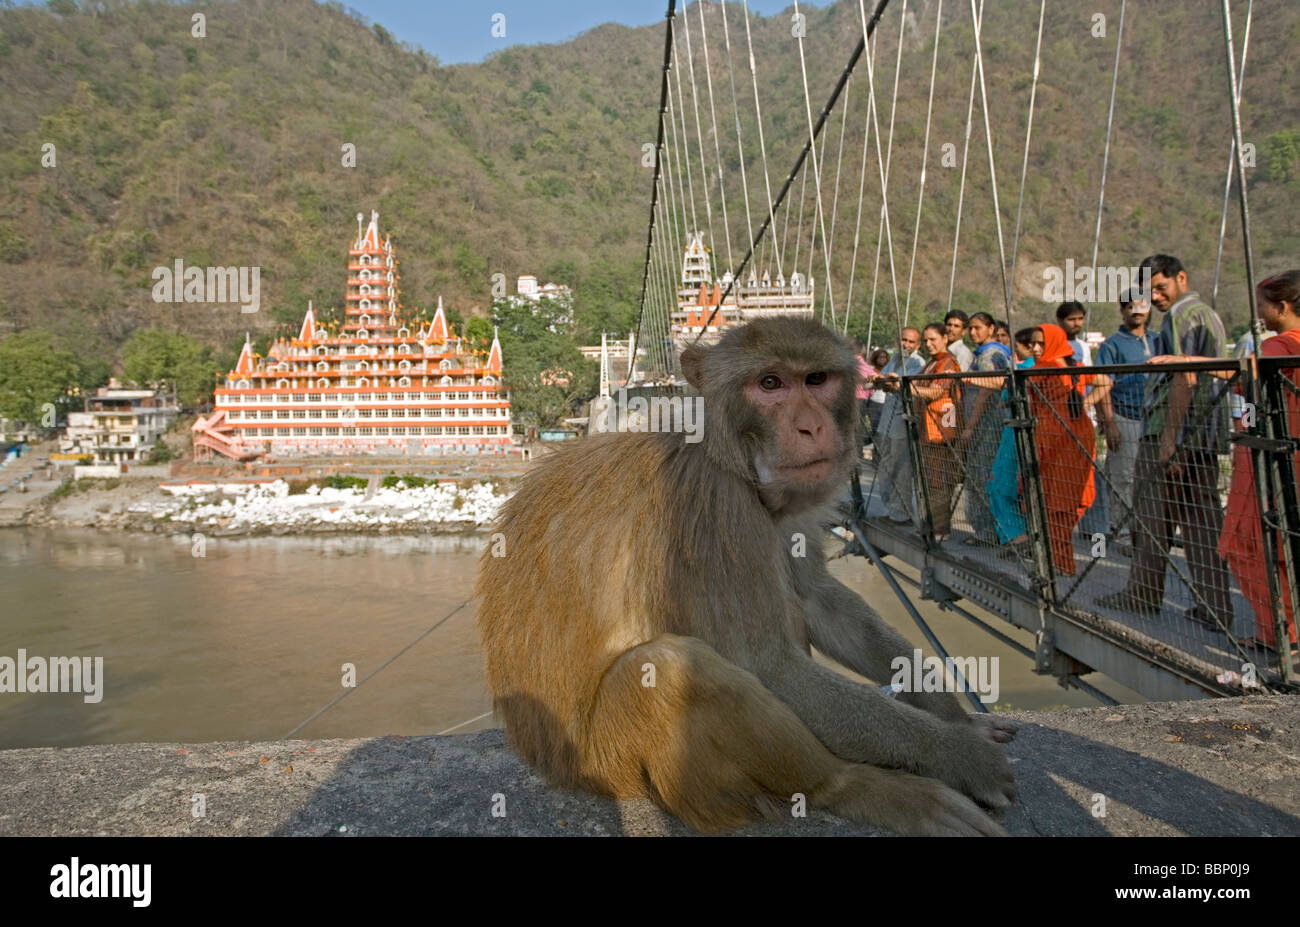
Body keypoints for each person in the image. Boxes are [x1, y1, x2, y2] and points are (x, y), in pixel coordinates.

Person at [1098, 254, 1234, 629]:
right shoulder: (1209, 314)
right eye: (1149, 290)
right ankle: (1216, 608)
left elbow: (1183, 377)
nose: (1155, 297)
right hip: (1206, 432)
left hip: (1171, 430)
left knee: (1151, 517)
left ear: (1181, 278)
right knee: (1203, 524)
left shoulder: (1179, 316)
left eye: (1161, 287)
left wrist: (1170, 437)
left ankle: (1141, 594)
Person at [1219, 272, 1300, 663]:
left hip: (1270, 461)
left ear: (1282, 307)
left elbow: (1242, 373)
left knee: (1242, 544)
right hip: (1288, 456)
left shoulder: (1279, 347)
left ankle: (1278, 635)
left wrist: (1187, 363)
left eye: (1262, 305)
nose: (1259, 312)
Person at [1096, 288, 1159, 546]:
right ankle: (1123, 533)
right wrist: (1109, 424)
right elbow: (1102, 384)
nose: (1137, 311)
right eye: (1131, 306)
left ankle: (1146, 529)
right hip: (1125, 416)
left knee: (1152, 477)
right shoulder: (1112, 345)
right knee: (1124, 477)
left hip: (1155, 417)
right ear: (1122, 311)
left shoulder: (1158, 339)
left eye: (1141, 306)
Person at [989, 327, 1045, 559]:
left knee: (999, 485)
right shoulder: (1053, 368)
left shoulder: (1020, 369)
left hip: (1015, 433)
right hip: (1040, 434)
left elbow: (1003, 403)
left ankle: (1017, 536)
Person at [959, 312, 1013, 545]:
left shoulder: (990, 355)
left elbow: (986, 390)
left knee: (981, 477)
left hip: (987, 425)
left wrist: (970, 427)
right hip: (987, 424)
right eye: (970, 328)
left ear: (991, 329)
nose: (973, 332)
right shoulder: (986, 354)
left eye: (978, 328)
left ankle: (987, 534)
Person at [911, 323, 962, 540]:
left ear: (945, 338)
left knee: (939, 480)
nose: (929, 344)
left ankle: (941, 529)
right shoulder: (933, 362)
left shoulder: (948, 362)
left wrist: (906, 386)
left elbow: (936, 391)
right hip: (929, 427)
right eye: (926, 340)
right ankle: (931, 526)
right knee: (930, 480)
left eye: (933, 339)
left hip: (941, 428)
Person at [869, 328, 925, 523]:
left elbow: (910, 387)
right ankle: (891, 509)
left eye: (911, 342)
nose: (906, 345)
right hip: (887, 420)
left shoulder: (919, 363)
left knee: (901, 470)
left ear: (917, 345)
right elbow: (883, 379)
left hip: (902, 421)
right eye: (903, 340)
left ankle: (902, 514)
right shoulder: (894, 360)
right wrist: (880, 380)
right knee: (885, 466)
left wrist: (894, 382)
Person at [863, 347, 891, 436]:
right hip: (875, 401)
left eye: (884, 357)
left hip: (887, 402)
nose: (882, 359)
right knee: (874, 427)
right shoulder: (871, 370)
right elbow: (866, 386)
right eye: (880, 357)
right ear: (876, 358)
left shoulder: (890, 370)